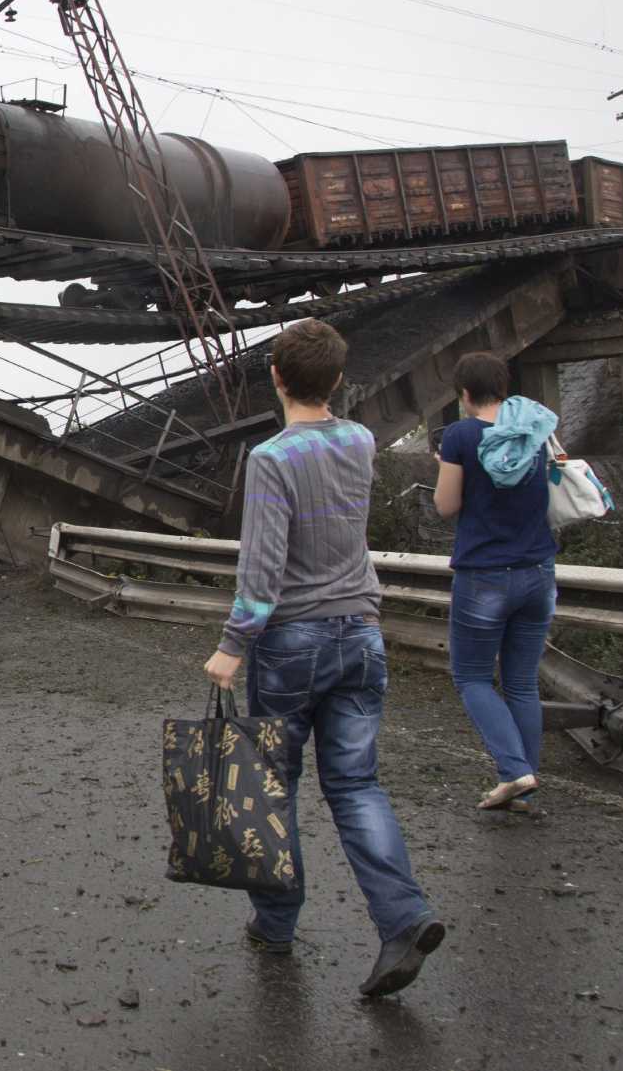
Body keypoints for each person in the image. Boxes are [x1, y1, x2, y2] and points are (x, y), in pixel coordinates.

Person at [202, 318, 443, 997]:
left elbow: (263, 566)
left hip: (292, 643)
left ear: (275, 376)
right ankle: (403, 917)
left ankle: (276, 923)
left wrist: (231, 646)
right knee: (357, 785)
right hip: (361, 634)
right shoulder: (360, 440)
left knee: (273, 785)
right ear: (337, 380)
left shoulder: (271, 459)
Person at [434, 352, 559, 813]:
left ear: (465, 394)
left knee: (472, 677)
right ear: (504, 387)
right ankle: (525, 782)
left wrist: (447, 465)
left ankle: (513, 769)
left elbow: (446, 506)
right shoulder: (533, 429)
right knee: (522, 683)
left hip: (485, 575)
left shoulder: (461, 435)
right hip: (539, 572)